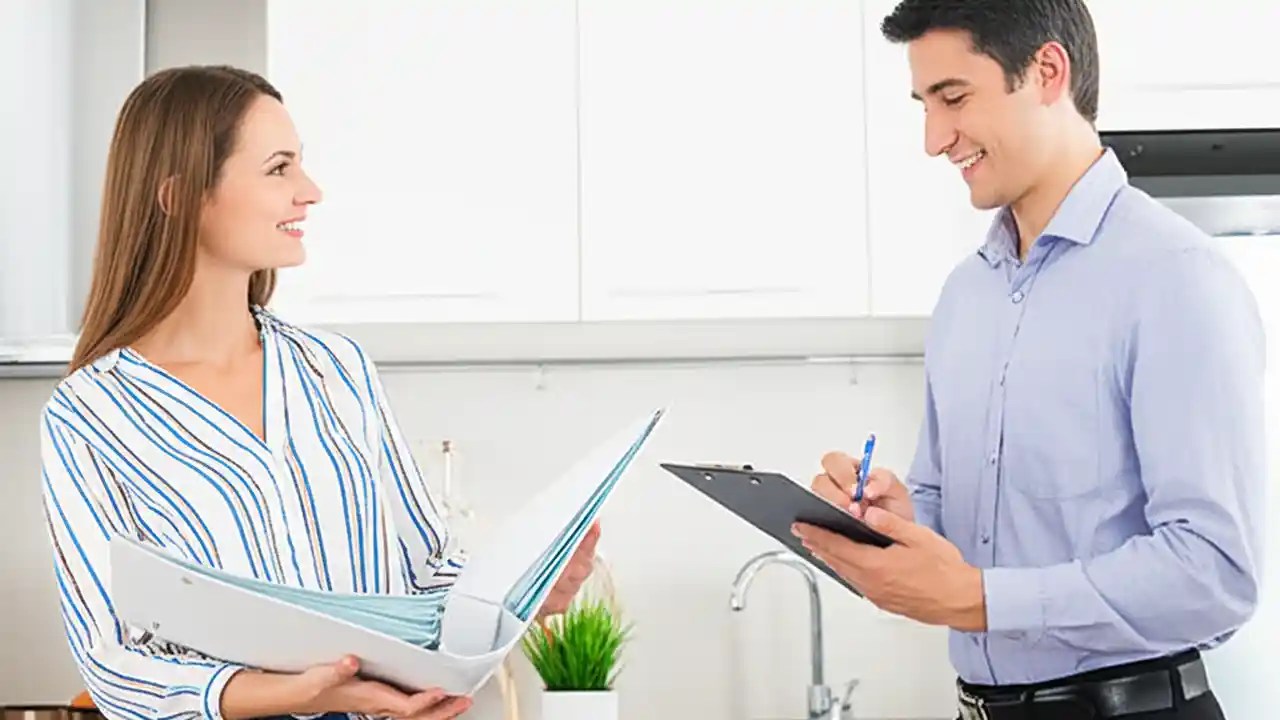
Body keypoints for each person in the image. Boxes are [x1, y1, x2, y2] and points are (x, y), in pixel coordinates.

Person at [38, 65, 598, 720]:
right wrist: (304, 692)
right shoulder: (90, 415)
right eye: (279, 169)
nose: (310, 192)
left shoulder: (336, 369)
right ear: (180, 194)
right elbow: (114, 662)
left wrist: (523, 595)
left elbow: (425, 578)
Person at [792, 2, 1266, 719]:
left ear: (1048, 72)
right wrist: (896, 518)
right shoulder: (965, 297)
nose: (933, 139)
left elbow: (1215, 572)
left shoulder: (1174, 277)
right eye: (924, 104)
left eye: (953, 98)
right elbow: (959, 520)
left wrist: (978, 599)